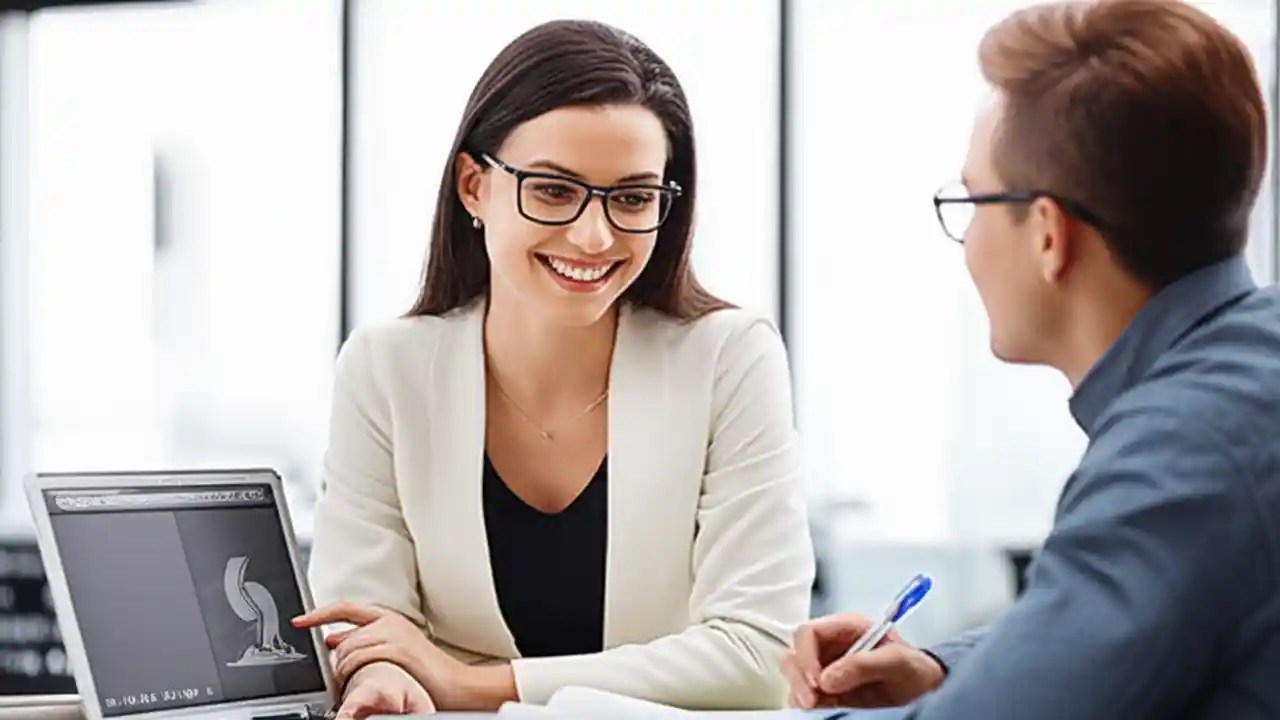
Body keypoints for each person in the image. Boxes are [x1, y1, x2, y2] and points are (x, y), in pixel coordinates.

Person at [292, 18, 815, 719]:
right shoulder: (385, 369)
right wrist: (381, 678)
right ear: (474, 187)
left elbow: (758, 658)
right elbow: (370, 627)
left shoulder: (728, 356)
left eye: (632, 198)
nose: (594, 236)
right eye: (553, 190)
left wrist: (473, 683)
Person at [783, 1, 1280, 718]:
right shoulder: (1246, 373)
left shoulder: (1179, 457)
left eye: (971, 199)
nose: (969, 239)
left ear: (1047, 234)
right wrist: (941, 668)